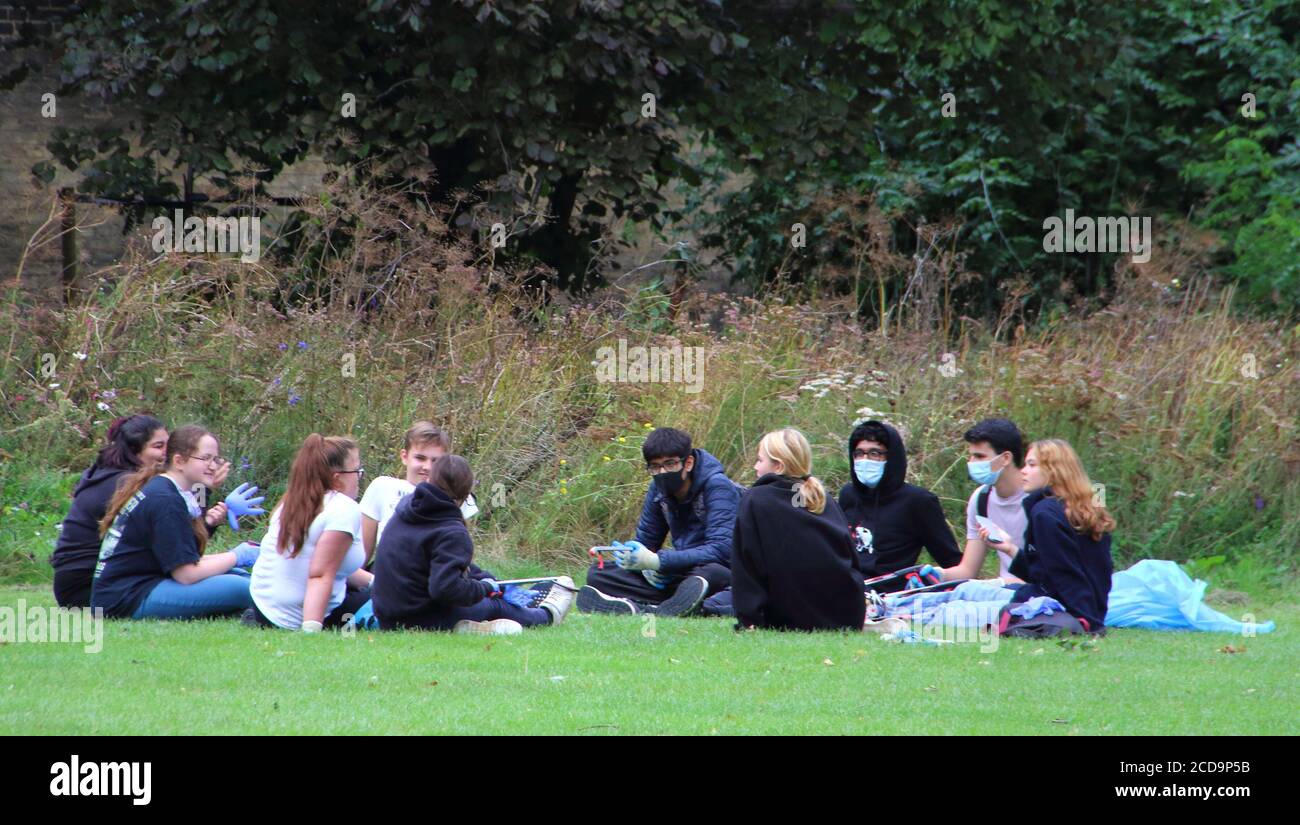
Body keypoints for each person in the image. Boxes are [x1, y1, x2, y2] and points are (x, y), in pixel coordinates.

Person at [371, 454, 573, 635]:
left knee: (488, 594)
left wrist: (487, 579)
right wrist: (484, 588)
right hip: (421, 619)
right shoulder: (450, 531)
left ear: (430, 479)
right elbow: (445, 589)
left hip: (387, 618)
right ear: (466, 494)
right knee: (495, 606)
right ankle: (546, 616)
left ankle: (479, 624)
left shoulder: (407, 509)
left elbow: (446, 566)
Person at [91, 425, 257, 620]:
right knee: (241, 588)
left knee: (238, 575)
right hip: (127, 598)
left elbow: (186, 558)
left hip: (139, 587)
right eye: (205, 458)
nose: (213, 466)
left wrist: (233, 559)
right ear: (179, 461)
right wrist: (238, 555)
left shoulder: (167, 489)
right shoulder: (165, 500)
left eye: (216, 459)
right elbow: (186, 574)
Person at [576, 427, 739, 617]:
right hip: (678, 572)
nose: (662, 472)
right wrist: (633, 558)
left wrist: (658, 561)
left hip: (720, 570)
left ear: (688, 463)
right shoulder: (658, 488)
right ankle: (673, 604)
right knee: (598, 574)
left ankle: (653, 605)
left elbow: (721, 550)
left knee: (708, 574)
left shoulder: (718, 486)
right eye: (655, 466)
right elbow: (646, 541)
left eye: (670, 464)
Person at [731, 429, 865, 631]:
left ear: (778, 466)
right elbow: (850, 556)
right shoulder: (822, 498)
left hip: (791, 618)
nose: (755, 466)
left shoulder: (756, 499)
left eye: (760, 460)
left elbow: (747, 564)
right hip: (847, 614)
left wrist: (749, 619)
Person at [246, 435, 374, 631]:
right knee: (393, 605)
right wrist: (311, 630)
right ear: (337, 479)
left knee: (382, 591)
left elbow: (331, 563)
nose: (359, 477)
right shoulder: (344, 509)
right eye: (357, 471)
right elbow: (320, 574)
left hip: (263, 609)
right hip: (298, 616)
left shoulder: (293, 501)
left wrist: (374, 582)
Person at [51, 414, 168, 607]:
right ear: (134, 449)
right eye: (158, 446)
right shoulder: (125, 485)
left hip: (77, 581)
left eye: (168, 445)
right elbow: (168, 543)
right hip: (88, 586)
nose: (167, 453)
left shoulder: (103, 474)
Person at [1002, 439, 1115, 631]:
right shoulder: (1085, 508)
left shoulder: (1045, 513)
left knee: (958, 597)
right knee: (973, 589)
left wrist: (1089, 623)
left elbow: (1064, 575)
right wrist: (1009, 549)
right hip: (1091, 607)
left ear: (1054, 471)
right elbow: (1051, 571)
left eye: (1032, 465)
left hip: (1052, 607)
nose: (1023, 471)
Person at [838, 419, 962, 591]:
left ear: (891, 457)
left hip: (889, 592)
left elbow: (952, 562)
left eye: (874, 453)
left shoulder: (917, 501)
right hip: (847, 584)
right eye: (859, 453)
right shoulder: (849, 494)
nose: (864, 460)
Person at [359, 421, 479, 568]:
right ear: (404, 456)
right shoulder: (382, 487)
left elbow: (461, 554)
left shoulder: (457, 495)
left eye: (436, 461)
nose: (428, 467)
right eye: (420, 458)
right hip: (387, 575)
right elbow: (361, 555)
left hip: (436, 577)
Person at [937, 418, 1027, 583]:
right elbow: (968, 570)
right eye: (970, 456)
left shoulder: (1039, 500)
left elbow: (1050, 573)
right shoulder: (981, 500)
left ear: (1006, 458)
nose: (971, 463)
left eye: (979, 456)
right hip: (1004, 592)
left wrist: (993, 585)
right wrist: (939, 575)